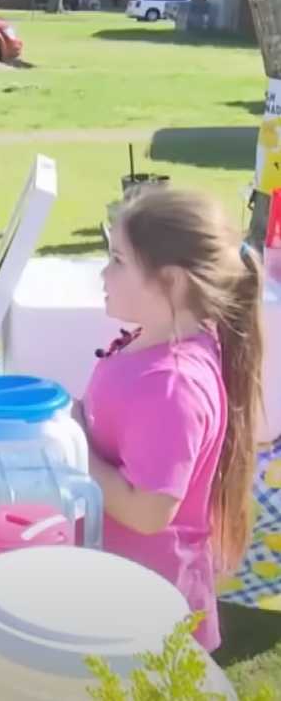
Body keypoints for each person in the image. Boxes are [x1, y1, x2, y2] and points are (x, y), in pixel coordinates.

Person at [81, 189, 264, 652]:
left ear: (173, 282)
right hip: (119, 589)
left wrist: (74, 443)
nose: (104, 273)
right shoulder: (150, 345)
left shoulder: (173, 385)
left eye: (119, 260)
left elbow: (147, 512)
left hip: (150, 613)